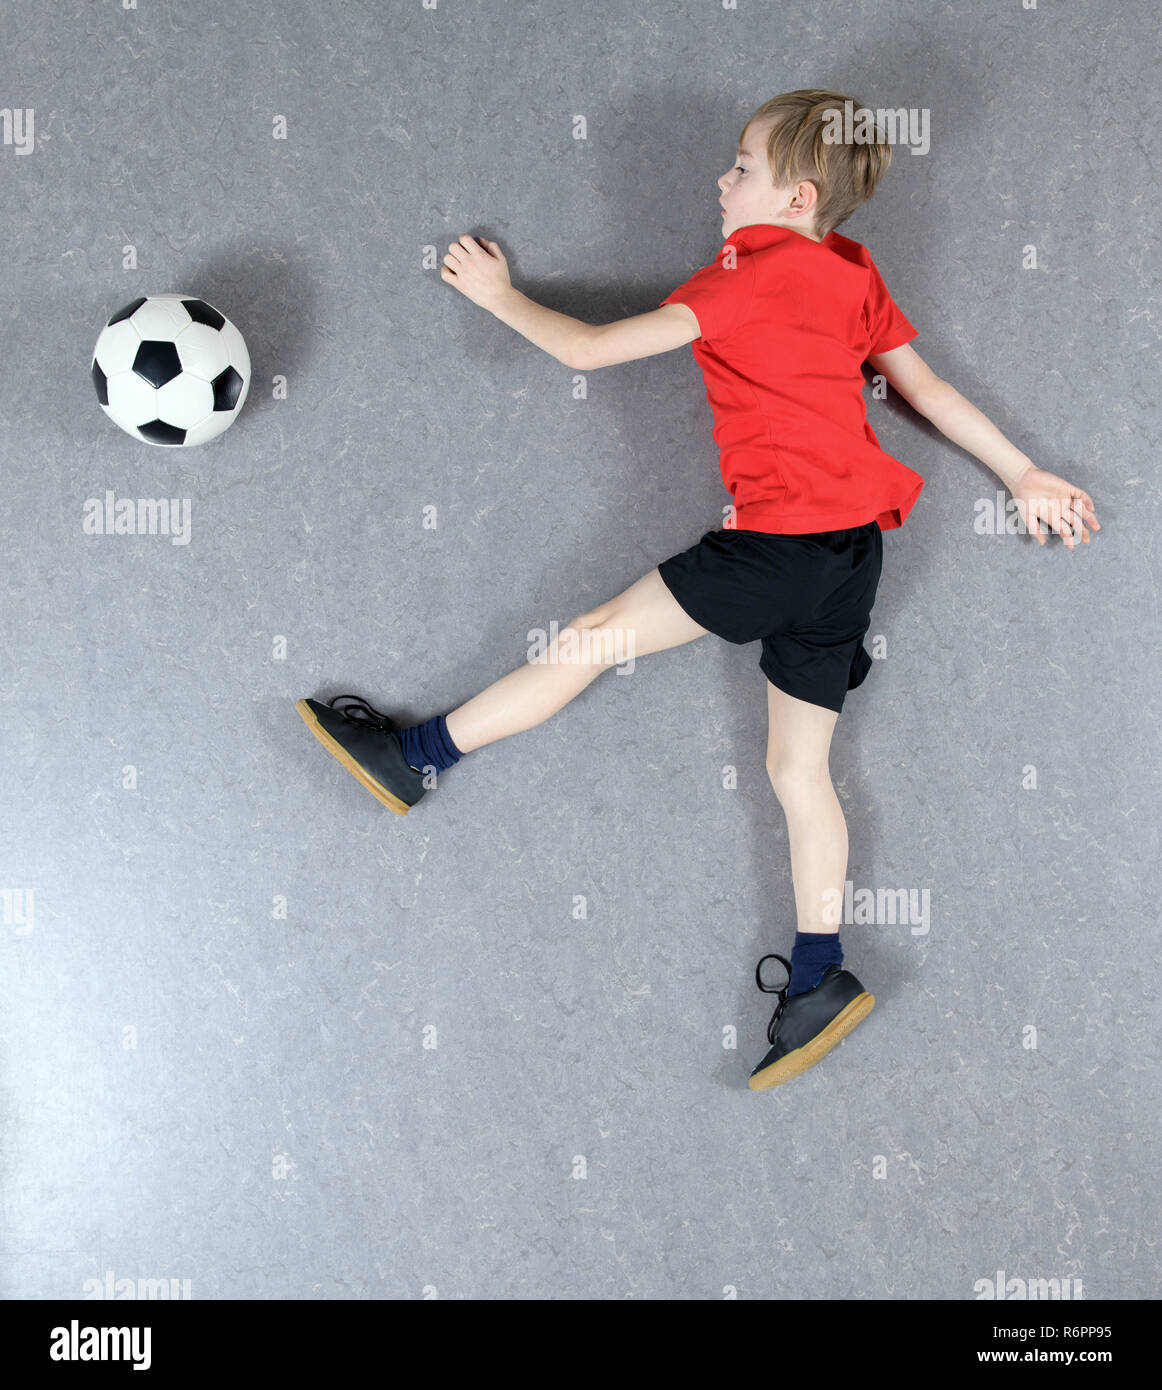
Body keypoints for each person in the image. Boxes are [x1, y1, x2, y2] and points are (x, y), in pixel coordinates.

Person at [297, 89, 1099, 1090]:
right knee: (798, 772)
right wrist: (1021, 473)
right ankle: (818, 973)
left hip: (772, 552)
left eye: (740, 169)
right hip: (853, 556)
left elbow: (591, 347)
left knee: (587, 639)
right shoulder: (852, 272)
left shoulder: (736, 279)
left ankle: (414, 757)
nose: (719, 182)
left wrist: (498, 296)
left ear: (796, 193)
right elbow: (920, 388)